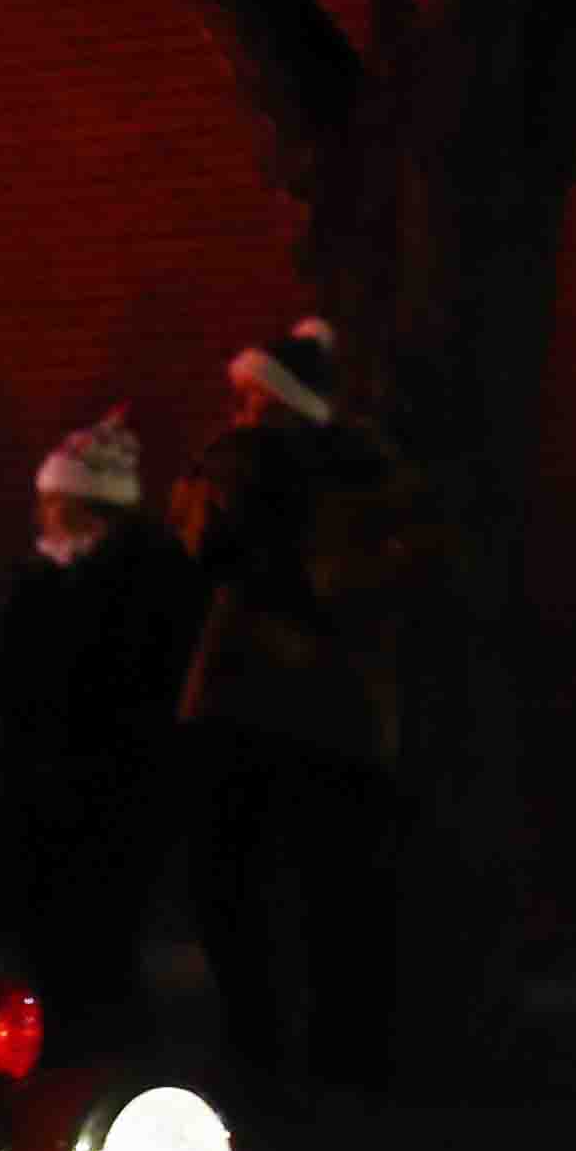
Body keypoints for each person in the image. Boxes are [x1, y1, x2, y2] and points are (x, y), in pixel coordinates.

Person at [169, 317, 422, 1092]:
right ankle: (323, 1053)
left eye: (251, 399)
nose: (238, 412)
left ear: (279, 403)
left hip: (272, 711)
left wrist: (224, 477)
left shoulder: (273, 472)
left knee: (268, 893)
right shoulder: (358, 475)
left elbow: (210, 544)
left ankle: (283, 1054)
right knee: (315, 895)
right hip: (313, 717)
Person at [0, 405, 198, 1060]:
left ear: (84, 509)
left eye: (51, 502)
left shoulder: (124, 586)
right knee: (68, 951)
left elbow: (100, 690)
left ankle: (104, 1063)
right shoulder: (59, 577)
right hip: (57, 793)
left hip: (95, 797)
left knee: (93, 951)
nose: (39, 515)